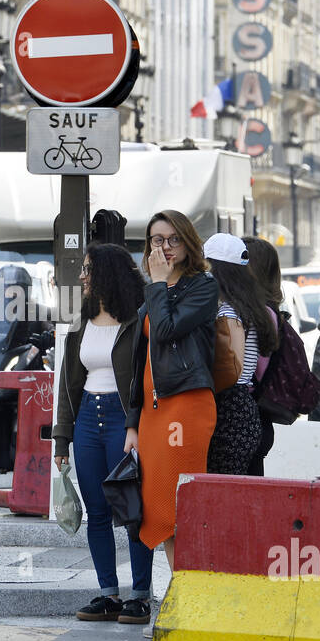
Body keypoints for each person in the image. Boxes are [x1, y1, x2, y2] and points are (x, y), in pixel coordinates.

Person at [53, 243, 152, 624]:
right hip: (87, 421)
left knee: (131, 511)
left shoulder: (138, 319)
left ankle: (140, 595)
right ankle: (108, 593)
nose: (82, 276)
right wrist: (62, 439)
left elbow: (146, 377)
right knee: (97, 511)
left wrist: (135, 426)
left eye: (89, 269)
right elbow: (67, 386)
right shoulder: (81, 322)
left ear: (108, 274)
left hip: (122, 419)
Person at [126, 210, 218, 578]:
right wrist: (133, 423)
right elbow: (139, 363)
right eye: (156, 240)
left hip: (186, 405)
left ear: (188, 242)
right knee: (160, 507)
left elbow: (165, 331)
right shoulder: (155, 290)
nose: (164, 247)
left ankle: (189, 593)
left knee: (182, 506)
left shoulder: (203, 285)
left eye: (172, 239)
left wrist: (159, 283)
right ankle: (180, 588)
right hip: (153, 410)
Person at [204, 234, 278, 475]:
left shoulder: (228, 312)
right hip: (246, 411)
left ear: (215, 270)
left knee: (221, 492)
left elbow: (230, 371)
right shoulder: (253, 307)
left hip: (228, 411)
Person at [242, 236, 283, 475]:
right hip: (260, 419)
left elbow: (247, 372)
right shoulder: (269, 311)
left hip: (249, 417)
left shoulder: (259, 314)